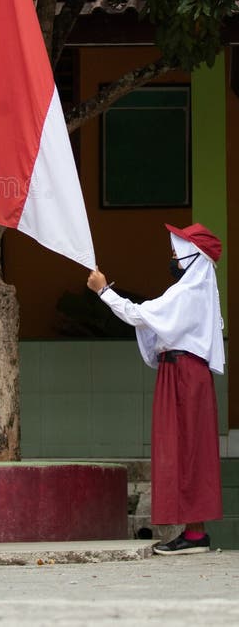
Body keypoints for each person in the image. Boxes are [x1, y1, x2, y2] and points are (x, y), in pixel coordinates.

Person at [87, 223, 224, 555]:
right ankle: (194, 533)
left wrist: (104, 291)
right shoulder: (196, 292)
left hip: (183, 375)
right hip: (184, 373)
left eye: (177, 253)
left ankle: (194, 534)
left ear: (192, 257)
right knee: (189, 449)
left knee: (185, 448)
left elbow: (139, 316)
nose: (173, 258)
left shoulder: (188, 293)